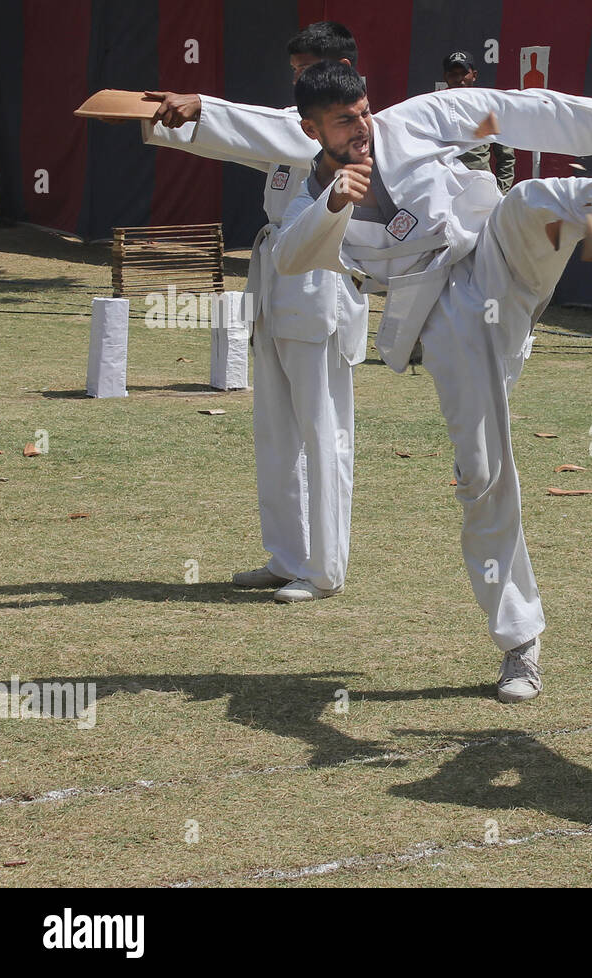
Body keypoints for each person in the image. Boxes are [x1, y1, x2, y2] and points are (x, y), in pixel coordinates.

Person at [270, 63, 592, 703]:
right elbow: (290, 254)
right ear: (311, 128)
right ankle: (520, 642)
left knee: (527, 200)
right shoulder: (312, 200)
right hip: (445, 320)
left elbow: (509, 107)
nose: (362, 127)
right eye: (344, 120)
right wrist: (333, 201)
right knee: (483, 473)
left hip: (492, 258)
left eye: (363, 109)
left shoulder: (411, 123)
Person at [141, 22, 369, 603]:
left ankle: (325, 570)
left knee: (324, 436)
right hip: (274, 292)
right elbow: (241, 139)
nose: (293, 82)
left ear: (340, 69)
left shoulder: (348, 132)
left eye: (304, 71)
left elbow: (252, 126)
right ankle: (287, 557)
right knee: (275, 433)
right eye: (292, 71)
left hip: (320, 294)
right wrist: (177, 122)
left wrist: (202, 107)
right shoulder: (294, 128)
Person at [442, 51, 515, 193]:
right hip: (446, 188)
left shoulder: (487, 109)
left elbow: (506, 157)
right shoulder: (436, 108)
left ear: (474, 75)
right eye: (453, 74)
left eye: (464, 73)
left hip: (481, 187)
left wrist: (500, 192)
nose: (459, 79)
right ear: (446, 77)